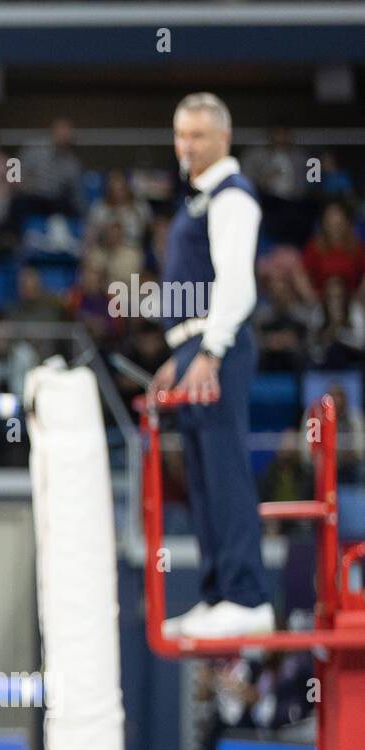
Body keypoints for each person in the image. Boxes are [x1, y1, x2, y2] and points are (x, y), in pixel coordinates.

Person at [151, 93, 274, 638]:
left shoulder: (232, 196)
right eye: (180, 135)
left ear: (224, 138)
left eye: (198, 135)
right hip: (194, 347)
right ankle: (218, 592)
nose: (187, 146)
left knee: (223, 469)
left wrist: (209, 351)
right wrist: (178, 356)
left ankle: (248, 596)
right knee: (200, 478)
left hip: (216, 347)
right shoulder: (196, 199)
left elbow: (237, 284)